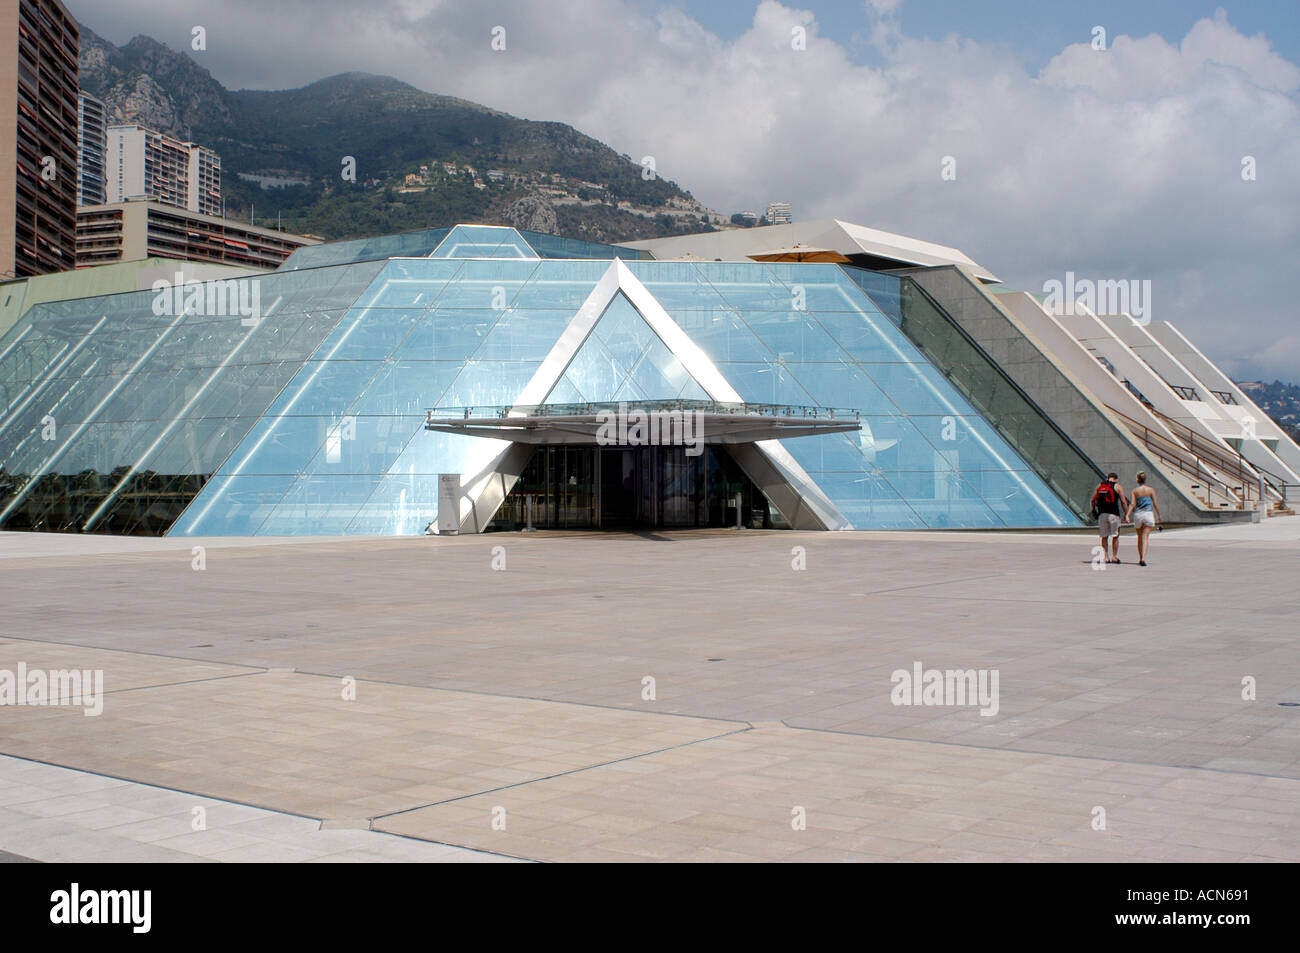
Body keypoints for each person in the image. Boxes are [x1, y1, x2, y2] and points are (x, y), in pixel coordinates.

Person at [1090, 472, 1128, 564]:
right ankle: (1114, 557)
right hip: (1114, 515)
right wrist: (1126, 514)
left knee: (1104, 536)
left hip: (1102, 515)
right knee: (1115, 536)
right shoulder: (1118, 486)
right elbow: (1123, 501)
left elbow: (1092, 499)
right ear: (1116, 479)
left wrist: (1094, 510)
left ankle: (1106, 557)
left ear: (1108, 478)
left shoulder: (1100, 485)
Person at [1125, 471, 1161, 566]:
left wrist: (1128, 515)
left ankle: (1140, 557)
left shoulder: (1135, 491)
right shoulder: (1151, 490)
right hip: (1148, 514)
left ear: (1137, 479)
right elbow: (1155, 503)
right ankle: (1144, 559)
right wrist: (1159, 515)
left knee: (1139, 537)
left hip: (1138, 514)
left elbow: (1132, 504)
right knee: (1145, 538)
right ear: (1145, 479)